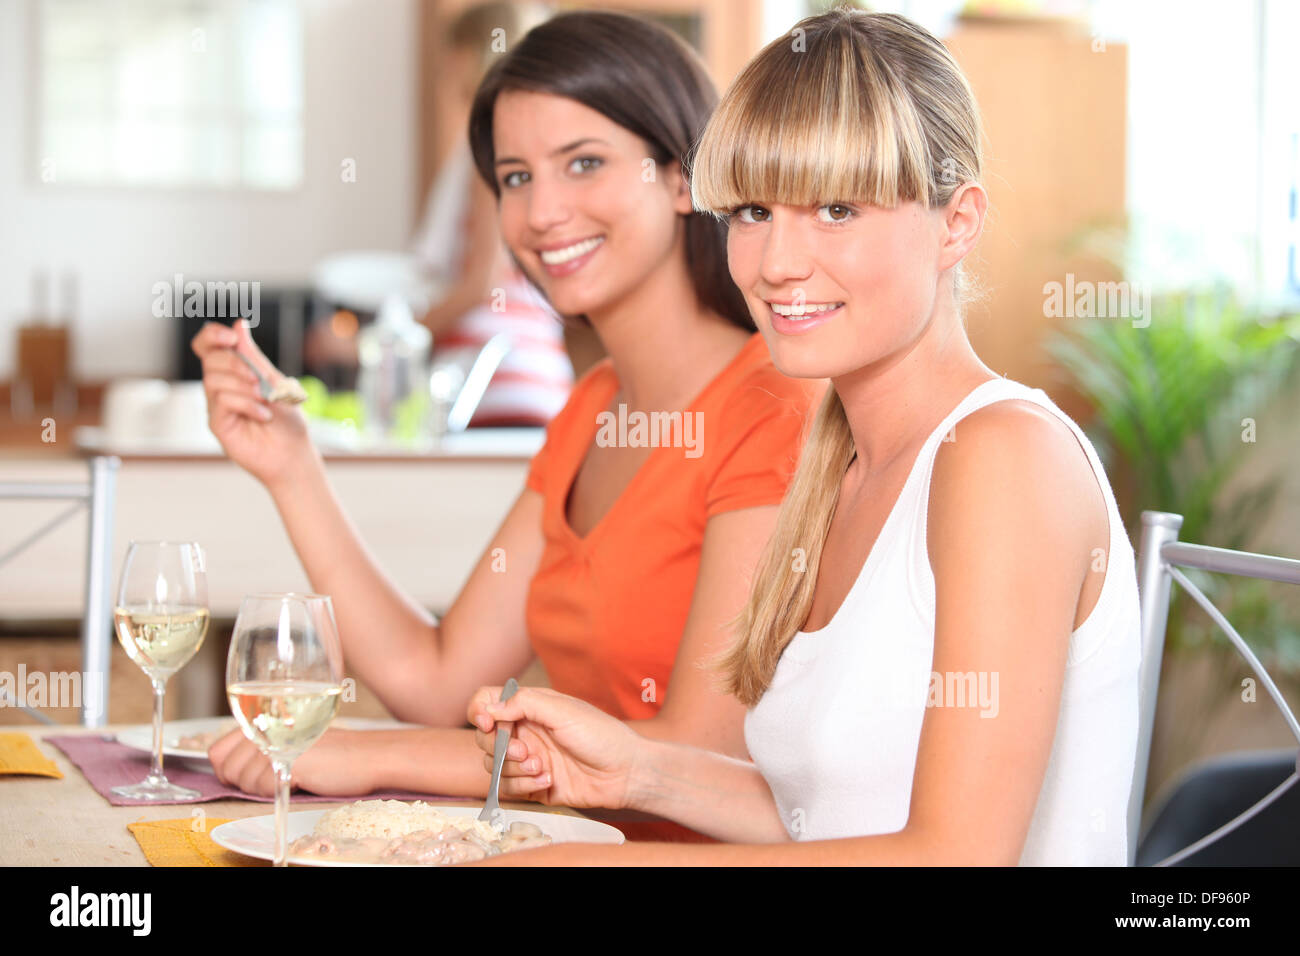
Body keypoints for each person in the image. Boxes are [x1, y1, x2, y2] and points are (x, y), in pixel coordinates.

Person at [466, 6, 1143, 865]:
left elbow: (958, 854)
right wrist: (638, 772)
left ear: (957, 222)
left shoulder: (1002, 458)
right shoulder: (839, 462)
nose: (776, 262)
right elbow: (819, 813)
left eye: (834, 209)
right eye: (752, 210)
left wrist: (607, 860)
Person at [191, 11, 820, 841]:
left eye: (584, 164)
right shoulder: (594, 406)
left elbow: (694, 758)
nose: (542, 212)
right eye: (516, 177)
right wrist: (291, 467)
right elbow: (437, 678)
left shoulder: (773, 407)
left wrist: (384, 756)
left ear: (683, 178)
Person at [309, 0, 572, 426]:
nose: (446, 67)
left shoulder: (493, 149)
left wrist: (376, 345)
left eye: (455, 52)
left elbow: (481, 283)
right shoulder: (520, 145)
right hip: (531, 377)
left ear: (477, 54)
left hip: (495, 378)